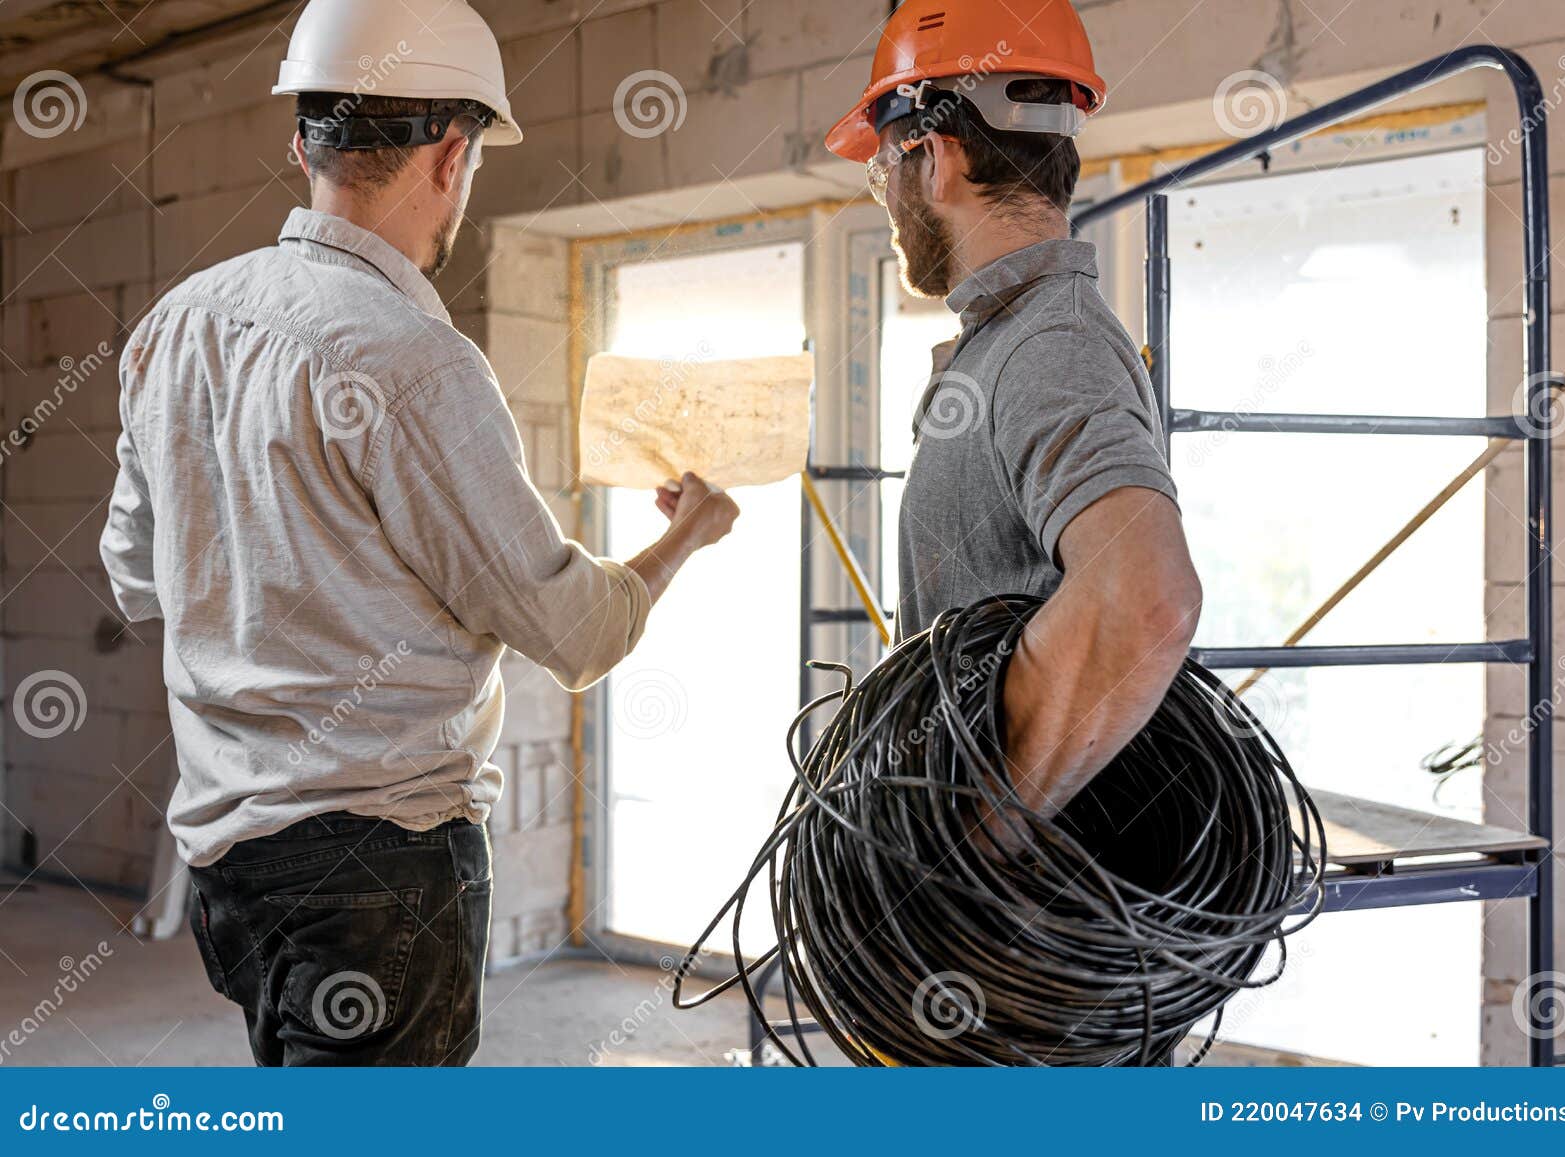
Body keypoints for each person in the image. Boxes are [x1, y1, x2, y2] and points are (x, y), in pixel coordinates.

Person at [99, 0, 737, 1066]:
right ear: (452, 152)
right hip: (379, 871)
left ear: (302, 140)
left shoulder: (176, 325)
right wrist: (685, 540)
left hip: (228, 865)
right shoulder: (416, 361)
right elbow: (576, 633)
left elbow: (137, 576)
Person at [826, 0, 1202, 824]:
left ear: (940, 157)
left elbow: (1149, 598)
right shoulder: (1013, 336)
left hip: (1026, 921)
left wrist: (978, 838)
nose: (885, 199)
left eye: (884, 166)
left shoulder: (1047, 344)